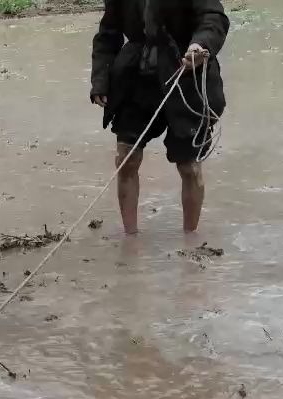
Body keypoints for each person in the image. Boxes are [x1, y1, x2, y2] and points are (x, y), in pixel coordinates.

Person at [90, 0, 229, 235]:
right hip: (136, 77)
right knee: (126, 158)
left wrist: (199, 45)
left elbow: (213, 17)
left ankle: (190, 242)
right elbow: (108, 32)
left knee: (189, 166)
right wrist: (100, 80)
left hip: (184, 74)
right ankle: (131, 239)